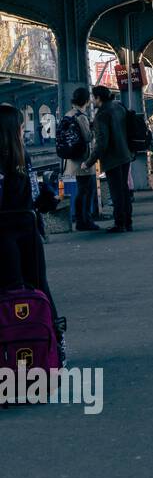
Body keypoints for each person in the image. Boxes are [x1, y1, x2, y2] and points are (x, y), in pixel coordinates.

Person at [0, 103, 59, 323]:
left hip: (3, 234)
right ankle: (51, 341)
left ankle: (10, 348)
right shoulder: (22, 158)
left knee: (8, 292)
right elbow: (35, 198)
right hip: (27, 230)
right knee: (37, 286)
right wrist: (48, 196)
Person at [82, 86, 133, 232]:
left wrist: (89, 162)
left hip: (113, 158)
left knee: (116, 192)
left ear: (98, 98)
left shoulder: (102, 114)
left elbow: (102, 143)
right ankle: (128, 222)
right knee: (124, 189)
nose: (92, 101)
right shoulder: (119, 107)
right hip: (125, 154)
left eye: (94, 97)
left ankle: (120, 224)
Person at [62, 87, 98, 231]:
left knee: (81, 191)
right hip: (82, 160)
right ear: (86, 101)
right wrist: (94, 128)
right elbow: (88, 137)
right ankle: (84, 221)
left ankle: (80, 219)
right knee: (85, 191)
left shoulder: (68, 114)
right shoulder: (80, 116)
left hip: (71, 160)